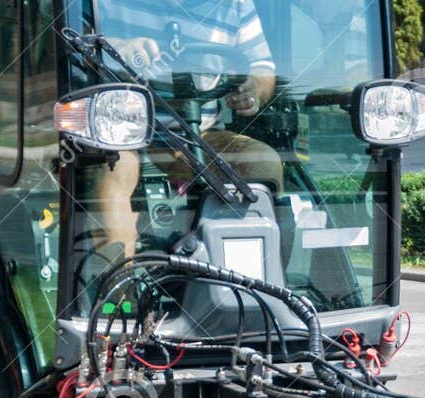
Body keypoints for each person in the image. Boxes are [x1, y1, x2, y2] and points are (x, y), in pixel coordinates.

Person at [91, 0, 285, 252]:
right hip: (122, 130)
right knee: (116, 170)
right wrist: (118, 47)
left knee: (262, 161)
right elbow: (71, 39)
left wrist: (254, 87)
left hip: (198, 134)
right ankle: (118, 282)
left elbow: (262, 66)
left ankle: (256, 281)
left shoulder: (234, 4)